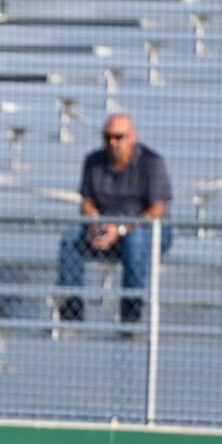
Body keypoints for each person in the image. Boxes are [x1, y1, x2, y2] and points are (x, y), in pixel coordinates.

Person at [56, 113, 173, 326]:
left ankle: (130, 316)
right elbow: (87, 202)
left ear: (132, 136)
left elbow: (157, 210)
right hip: (105, 227)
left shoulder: (152, 163)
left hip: (147, 230)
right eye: (107, 137)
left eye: (118, 137)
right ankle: (71, 313)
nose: (112, 143)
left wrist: (119, 229)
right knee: (71, 238)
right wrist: (95, 223)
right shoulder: (93, 161)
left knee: (135, 241)